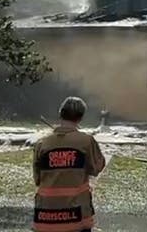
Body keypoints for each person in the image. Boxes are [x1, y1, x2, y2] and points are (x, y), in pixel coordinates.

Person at [32, 97, 107, 232]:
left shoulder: (42, 144)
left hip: (45, 217)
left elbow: (37, 179)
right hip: (77, 217)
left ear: (61, 113)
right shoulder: (86, 141)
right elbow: (97, 167)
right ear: (80, 117)